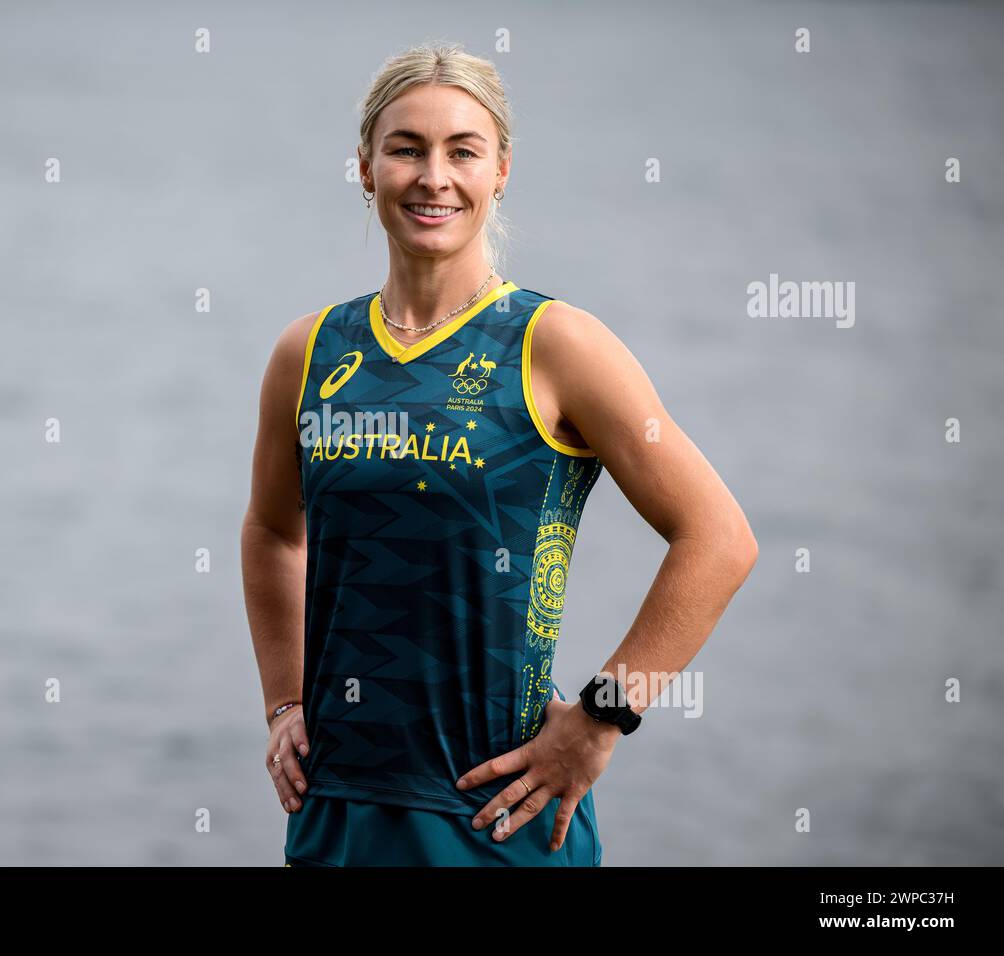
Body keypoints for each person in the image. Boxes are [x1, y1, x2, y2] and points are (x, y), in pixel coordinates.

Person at [241, 42, 757, 866]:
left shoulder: (557, 345)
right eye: (405, 148)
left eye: (462, 151)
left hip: (498, 817)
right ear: (366, 169)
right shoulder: (308, 353)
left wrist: (602, 717)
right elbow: (273, 532)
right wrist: (283, 704)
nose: (432, 177)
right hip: (338, 810)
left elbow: (719, 537)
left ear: (502, 170)